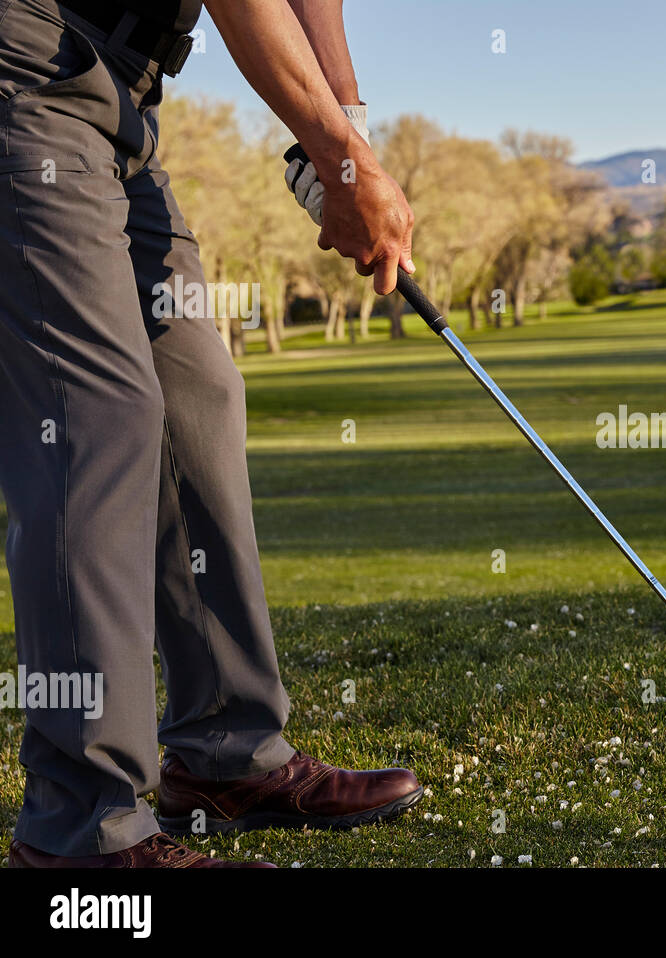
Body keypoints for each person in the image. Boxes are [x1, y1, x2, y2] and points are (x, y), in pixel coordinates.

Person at [0, 0, 420, 868]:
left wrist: (344, 137)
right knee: (97, 413)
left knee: (197, 397)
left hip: (122, 90)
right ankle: (82, 827)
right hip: (27, 59)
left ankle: (227, 755)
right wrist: (340, 159)